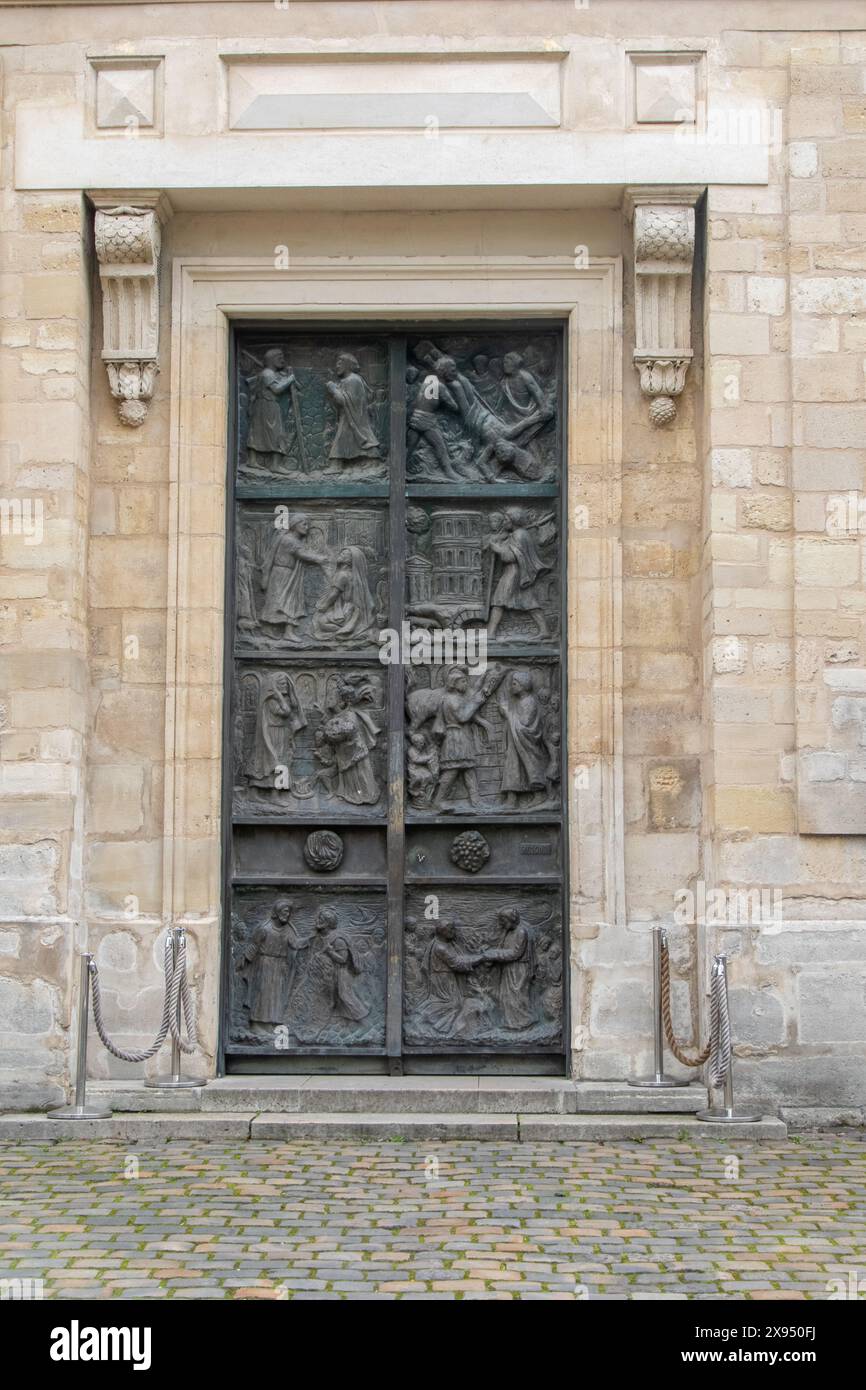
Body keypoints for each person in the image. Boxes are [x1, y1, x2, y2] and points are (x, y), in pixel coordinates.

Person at [240, 898, 315, 1026]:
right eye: (285, 911)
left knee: (277, 997)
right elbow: (253, 947)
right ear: (277, 912)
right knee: (263, 995)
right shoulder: (264, 929)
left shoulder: (288, 930)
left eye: (289, 912)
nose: (288, 915)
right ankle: (257, 1024)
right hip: (265, 966)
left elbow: (296, 944)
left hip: (280, 967)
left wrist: (311, 938)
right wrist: (243, 962)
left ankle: (273, 1024)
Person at [259, 513, 330, 640]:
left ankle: (285, 631)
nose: (307, 527)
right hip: (282, 575)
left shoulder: (293, 539)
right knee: (282, 602)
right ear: (295, 525)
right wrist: (319, 558)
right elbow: (301, 554)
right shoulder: (289, 540)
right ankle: (276, 630)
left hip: (288, 574)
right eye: (304, 524)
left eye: (308, 524)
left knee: (288, 601)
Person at [432, 668, 495, 808]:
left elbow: (468, 708)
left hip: (461, 736)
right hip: (455, 738)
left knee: (468, 769)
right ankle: (438, 801)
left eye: (466, 681)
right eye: (463, 681)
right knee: (452, 771)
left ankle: (476, 801)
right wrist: (478, 701)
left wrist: (480, 696)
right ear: (454, 683)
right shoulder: (451, 699)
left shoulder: (457, 698)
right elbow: (463, 716)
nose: (466, 684)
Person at [486, 508, 552, 640]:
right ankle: (544, 630)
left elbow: (510, 557)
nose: (504, 522)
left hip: (514, 572)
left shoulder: (519, 535)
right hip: (517, 572)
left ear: (514, 520)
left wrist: (496, 548)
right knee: (528, 601)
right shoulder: (519, 534)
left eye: (506, 519)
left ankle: (490, 633)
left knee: (498, 601)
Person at [319, 678, 380, 805]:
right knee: (347, 775)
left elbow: (350, 730)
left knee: (359, 774)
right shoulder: (339, 715)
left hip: (354, 751)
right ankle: (346, 792)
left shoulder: (349, 714)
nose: (328, 701)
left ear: (341, 701)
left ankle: (363, 795)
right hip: (344, 751)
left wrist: (335, 734)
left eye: (331, 699)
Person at [246, 672, 306, 794]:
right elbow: (286, 711)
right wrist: (278, 695)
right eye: (282, 683)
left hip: (282, 732)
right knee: (272, 761)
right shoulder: (271, 700)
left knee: (281, 761)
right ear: (275, 685)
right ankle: (266, 794)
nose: (285, 686)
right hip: (272, 733)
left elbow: (293, 706)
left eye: (286, 683)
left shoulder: (284, 699)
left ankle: (277, 793)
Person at [497, 669, 549, 807]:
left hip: (526, 743)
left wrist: (507, 713)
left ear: (523, 685)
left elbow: (524, 725)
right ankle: (512, 798)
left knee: (525, 767)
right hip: (516, 743)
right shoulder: (520, 702)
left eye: (514, 683)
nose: (511, 687)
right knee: (513, 767)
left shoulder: (529, 702)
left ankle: (539, 794)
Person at [483, 907, 536, 1031]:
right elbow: (503, 948)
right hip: (509, 969)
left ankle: (524, 1023)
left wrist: (495, 954)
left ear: (510, 919)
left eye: (503, 920)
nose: (501, 923)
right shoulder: (509, 932)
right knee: (506, 995)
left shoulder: (521, 932)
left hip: (518, 970)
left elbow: (515, 953)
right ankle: (511, 1023)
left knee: (517, 996)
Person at [245, 348, 297, 473]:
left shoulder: (270, 373)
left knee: (257, 432)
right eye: (280, 358)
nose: (283, 360)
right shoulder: (268, 373)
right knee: (276, 434)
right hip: (268, 406)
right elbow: (277, 389)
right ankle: (274, 464)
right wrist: (290, 379)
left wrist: (287, 378)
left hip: (264, 405)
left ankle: (253, 461)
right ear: (272, 360)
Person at [311, 546, 375, 643]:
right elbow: (333, 581)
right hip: (351, 610)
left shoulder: (342, 575)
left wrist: (323, 606)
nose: (340, 554)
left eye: (344, 554)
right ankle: (347, 628)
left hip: (345, 611)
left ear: (349, 561)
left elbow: (334, 594)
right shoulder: (350, 574)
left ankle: (343, 632)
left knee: (321, 622)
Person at [325, 353, 380, 462]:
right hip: (348, 416)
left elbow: (344, 401)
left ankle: (337, 464)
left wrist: (333, 389)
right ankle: (371, 459)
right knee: (351, 438)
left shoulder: (353, 380)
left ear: (347, 365)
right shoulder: (347, 380)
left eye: (340, 364)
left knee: (345, 438)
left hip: (353, 417)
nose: (337, 366)